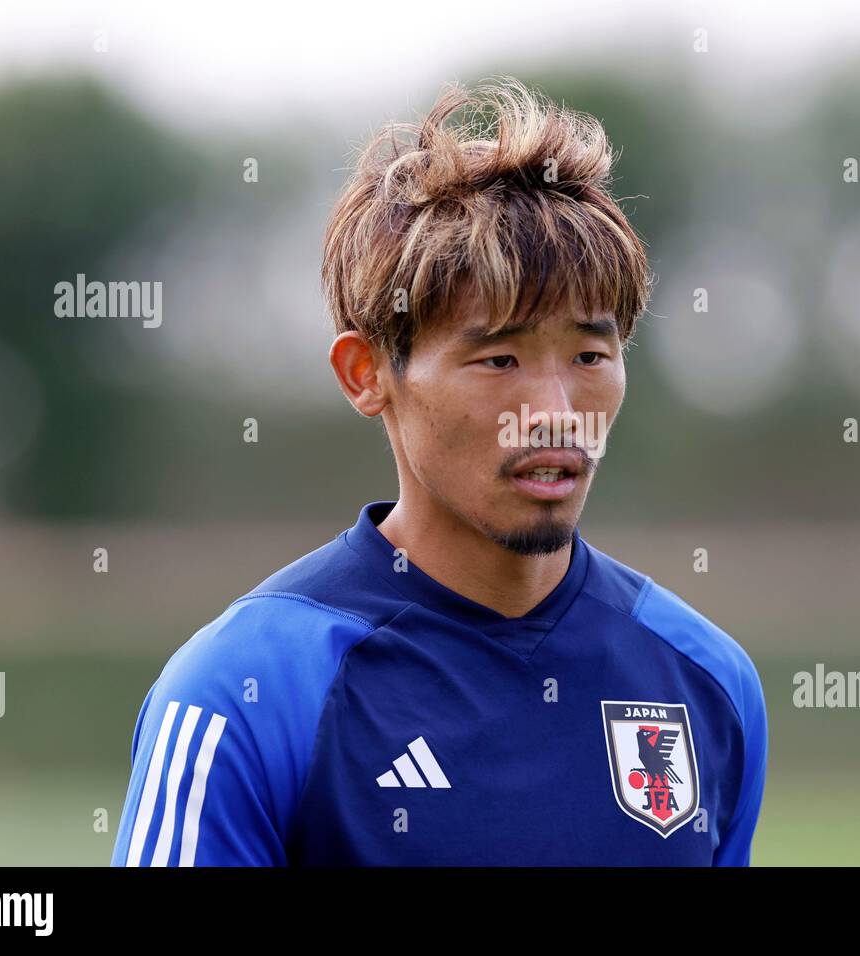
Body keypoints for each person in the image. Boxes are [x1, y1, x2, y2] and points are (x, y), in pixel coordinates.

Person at [110, 76, 767, 866]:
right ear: (365, 375)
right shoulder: (240, 693)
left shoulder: (706, 681)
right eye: (499, 358)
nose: (556, 410)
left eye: (591, 355)